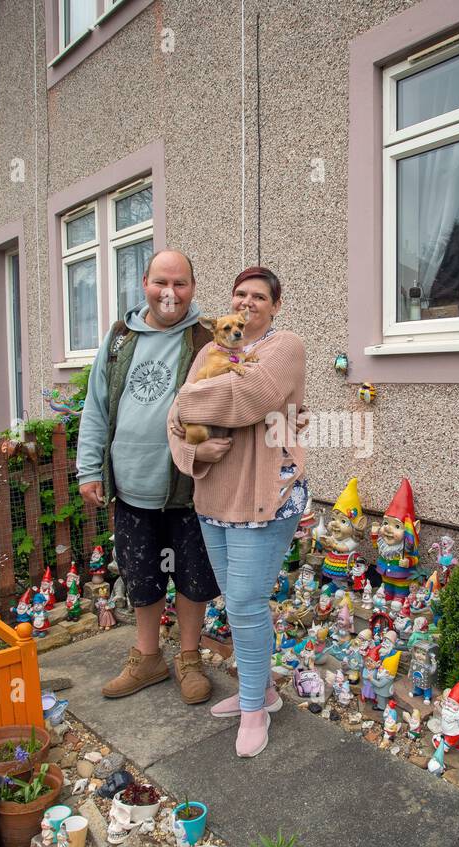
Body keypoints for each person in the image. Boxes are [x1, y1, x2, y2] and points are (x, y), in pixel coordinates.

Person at [167, 266, 307, 757]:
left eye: (259, 297)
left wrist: (187, 398)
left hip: (266, 493)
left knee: (246, 603)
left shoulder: (283, 346)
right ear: (229, 304)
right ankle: (262, 691)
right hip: (215, 497)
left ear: (275, 304)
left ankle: (253, 710)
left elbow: (249, 399)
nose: (248, 303)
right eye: (239, 295)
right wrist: (191, 455)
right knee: (235, 600)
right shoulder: (210, 350)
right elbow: (175, 423)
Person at [76, 249, 220, 705]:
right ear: (144, 283)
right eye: (161, 282)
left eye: (180, 284)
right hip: (133, 486)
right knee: (142, 577)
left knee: (193, 575)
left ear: (192, 288)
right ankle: (149, 657)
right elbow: (96, 406)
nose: (170, 293)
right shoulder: (120, 338)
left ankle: (191, 657)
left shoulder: (206, 339)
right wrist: (89, 468)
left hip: (190, 487)